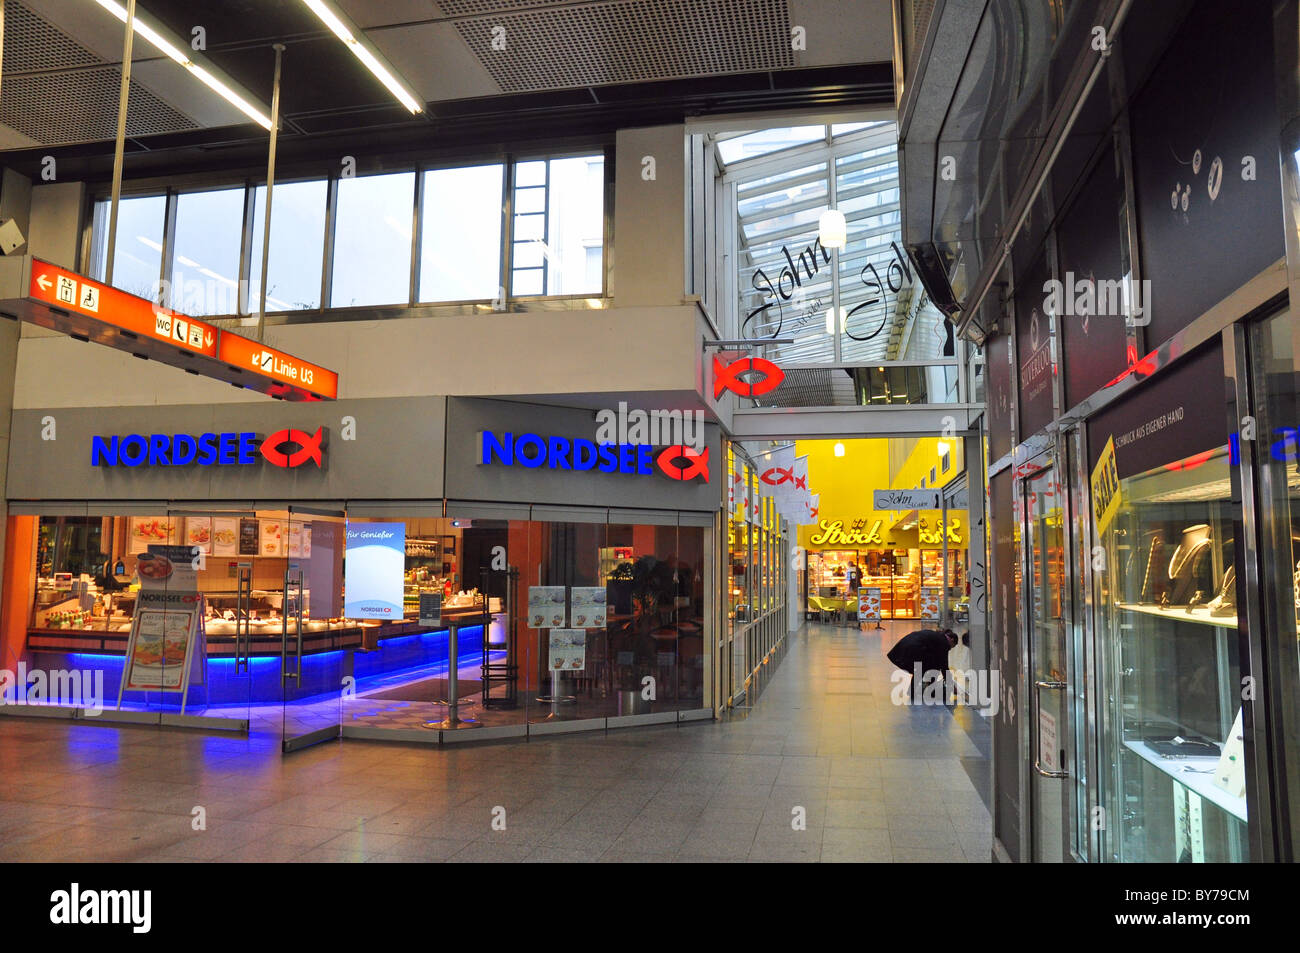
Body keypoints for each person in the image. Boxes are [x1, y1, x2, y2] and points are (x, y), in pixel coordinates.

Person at [886, 627, 959, 703]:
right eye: (952, 646)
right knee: (925, 667)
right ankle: (930, 691)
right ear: (952, 640)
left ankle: (918, 691)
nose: (950, 649)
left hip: (906, 644)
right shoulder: (944, 643)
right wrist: (952, 686)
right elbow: (944, 667)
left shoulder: (938, 637)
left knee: (925, 666)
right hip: (913, 648)